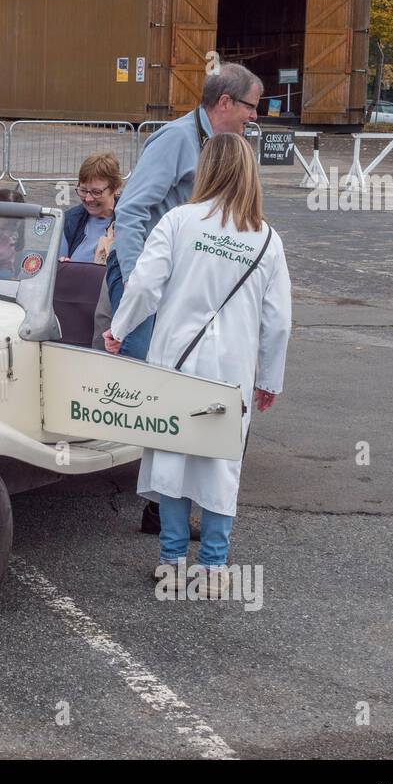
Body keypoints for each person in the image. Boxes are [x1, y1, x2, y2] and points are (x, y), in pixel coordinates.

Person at [102, 133, 291, 598]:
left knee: (171, 456)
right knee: (221, 462)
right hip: (232, 370)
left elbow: (144, 285)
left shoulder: (178, 221)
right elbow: (279, 321)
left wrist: (120, 329)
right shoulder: (267, 239)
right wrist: (270, 379)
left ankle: (170, 560)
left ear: (205, 169)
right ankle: (213, 566)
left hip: (176, 361)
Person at [103, 61, 263, 537]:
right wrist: (138, 290)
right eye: (252, 107)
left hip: (183, 281)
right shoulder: (176, 139)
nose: (255, 117)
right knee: (164, 388)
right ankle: (162, 506)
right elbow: (132, 212)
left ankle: (169, 504)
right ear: (225, 103)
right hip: (147, 276)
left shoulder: (222, 147)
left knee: (191, 387)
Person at [58, 152, 121, 265]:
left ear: (115, 188)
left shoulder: (131, 221)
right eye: (83, 190)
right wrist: (62, 266)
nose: (88, 199)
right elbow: (57, 266)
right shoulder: (68, 221)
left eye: (96, 192)